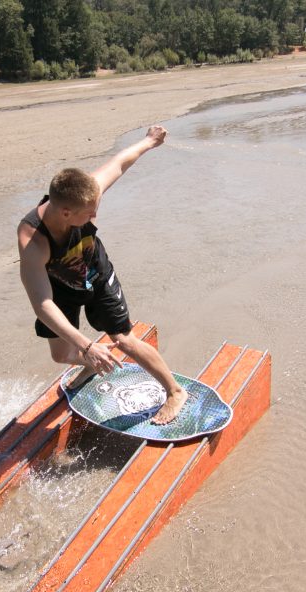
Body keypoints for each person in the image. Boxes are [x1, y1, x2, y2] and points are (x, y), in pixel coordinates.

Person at [17, 124, 188, 425]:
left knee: (123, 338)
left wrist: (149, 141)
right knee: (60, 354)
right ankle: (94, 362)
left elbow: (120, 162)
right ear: (66, 212)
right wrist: (87, 346)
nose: (95, 216)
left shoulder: (84, 191)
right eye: (90, 213)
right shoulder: (34, 242)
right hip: (59, 288)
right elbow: (42, 304)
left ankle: (174, 392)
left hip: (95, 272)